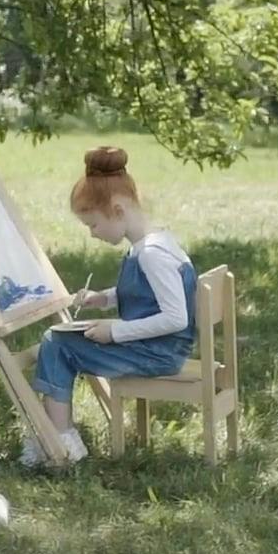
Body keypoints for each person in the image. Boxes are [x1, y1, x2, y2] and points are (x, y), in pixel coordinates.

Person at [23, 146, 199, 468]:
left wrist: (115, 331)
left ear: (117, 210)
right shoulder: (155, 243)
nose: (93, 234)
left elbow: (175, 317)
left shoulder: (151, 255)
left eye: (93, 224)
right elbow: (146, 294)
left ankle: (58, 444)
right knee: (60, 340)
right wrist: (104, 298)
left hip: (157, 353)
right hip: (159, 348)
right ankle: (58, 435)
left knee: (56, 342)